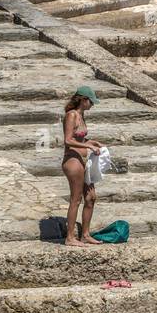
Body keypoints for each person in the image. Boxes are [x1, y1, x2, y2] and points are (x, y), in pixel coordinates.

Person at [61, 86, 103, 247]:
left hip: (83, 160)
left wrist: (90, 142)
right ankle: (70, 237)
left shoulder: (81, 115)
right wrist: (89, 147)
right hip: (72, 161)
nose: (92, 105)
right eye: (91, 102)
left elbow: (80, 139)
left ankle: (85, 234)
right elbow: (68, 140)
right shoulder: (71, 115)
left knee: (91, 197)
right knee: (76, 199)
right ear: (83, 100)